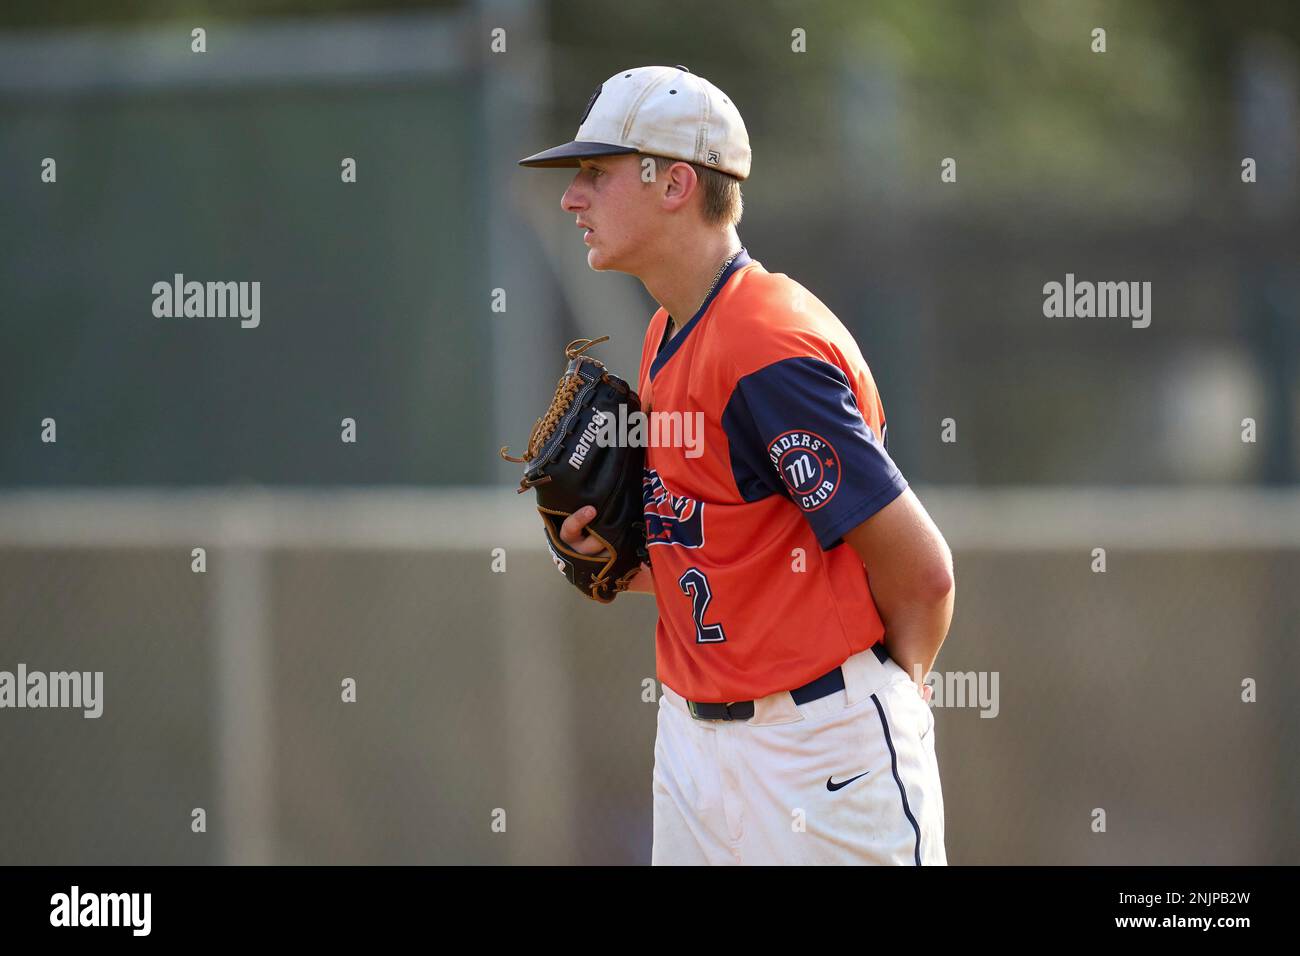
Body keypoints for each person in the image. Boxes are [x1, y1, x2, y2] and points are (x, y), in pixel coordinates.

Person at [519, 65, 954, 865]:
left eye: (595, 173)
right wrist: (617, 557)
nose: (571, 198)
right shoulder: (666, 335)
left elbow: (922, 575)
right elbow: (729, 554)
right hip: (693, 746)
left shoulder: (768, 346)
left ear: (675, 183)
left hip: (818, 752)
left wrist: (884, 698)